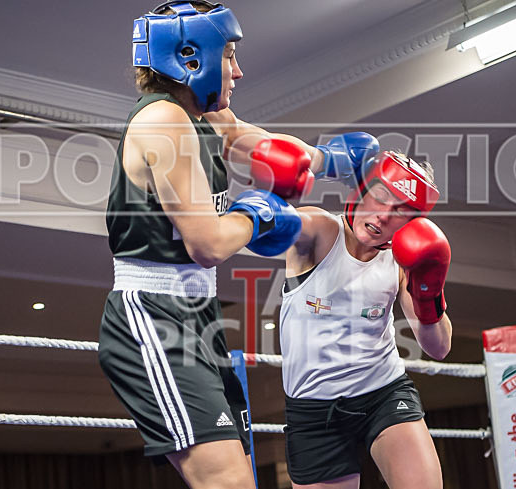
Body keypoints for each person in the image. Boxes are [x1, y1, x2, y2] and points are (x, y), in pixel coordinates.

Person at [97, 2, 369, 488]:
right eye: (229, 55)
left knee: (240, 477)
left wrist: (327, 161)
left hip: (194, 311)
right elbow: (206, 243)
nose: (238, 70)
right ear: (191, 56)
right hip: (153, 314)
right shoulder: (164, 122)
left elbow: (252, 141)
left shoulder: (203, 117)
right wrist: (258, 212)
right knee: (228, 482)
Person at [274, 149, 454, 488]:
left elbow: (439, 347)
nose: (384, 216)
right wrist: (273, 194)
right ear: (360, 190)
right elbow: (269, 225)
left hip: (382, 394)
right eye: (380, 196)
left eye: (401, 211)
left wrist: (429, 289)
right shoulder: (319, 230)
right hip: (314, 411)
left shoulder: (403, 263)